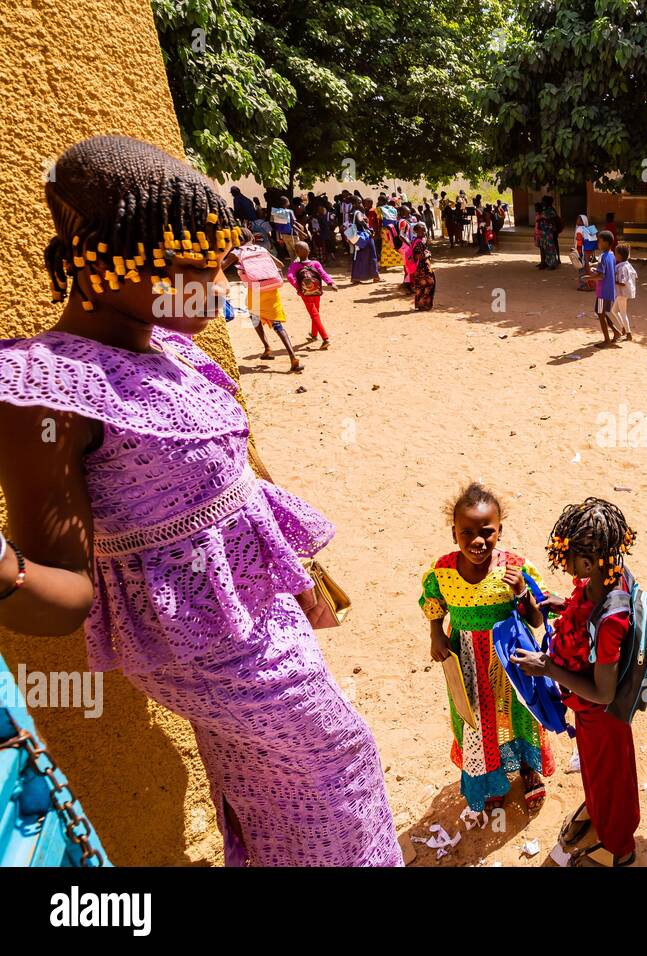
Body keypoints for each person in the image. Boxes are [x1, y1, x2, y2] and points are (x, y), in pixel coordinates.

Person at [0, 134, 401, 865]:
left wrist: (300, 568)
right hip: (202, 646)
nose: (212, 294)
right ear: (95, 259)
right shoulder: (48, 390)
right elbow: (62, 597)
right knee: (338, 764)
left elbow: (234, 471)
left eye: (215, 270)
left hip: (262, 609)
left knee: (268, 787)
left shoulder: (174, 349)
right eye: (185, 272)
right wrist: (6, 571)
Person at [513, 499, 641, 867]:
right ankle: (597, 810)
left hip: (602, 715)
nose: (565, 566)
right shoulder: (607, 576)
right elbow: (584, 616)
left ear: (588, 563)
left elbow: (603, 691)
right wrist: (564, 605)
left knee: (611, 776)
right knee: (598, 771)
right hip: (588, 715)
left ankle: (619, 847)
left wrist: (548, 668)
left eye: (566, 559)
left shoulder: (609, 620)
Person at [420, 483, 555, 815]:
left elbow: (537, 620)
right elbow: (433, 603)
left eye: (487, 531)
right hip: (466, 660)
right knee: (476, 719)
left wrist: (523, 591)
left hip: (510, 659)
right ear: (454, 534)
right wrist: (436, 633)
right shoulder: (443, 571)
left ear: (500, 531)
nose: (477, 541)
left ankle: (527, 767)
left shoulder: (515, 568)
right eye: (467, 532)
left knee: (520, 712)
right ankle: (490, 777)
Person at [227, 230, 303, 373]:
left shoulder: (237, 252)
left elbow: (221, 267)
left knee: (254, 317)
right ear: (251, 237)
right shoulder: (261, 249)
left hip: (255, 289)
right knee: (277, 323)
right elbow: (280, 265)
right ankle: (292, 357)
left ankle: (267, 347)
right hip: (272, 287)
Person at [286, 240, 335, 350]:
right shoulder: (315, 263)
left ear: (297, 253)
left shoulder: (295, 265)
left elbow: (289, 277)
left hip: (305, 293)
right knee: (315, 312)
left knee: (314, 314)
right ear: (309, 250)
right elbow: (323, 273)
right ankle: (314, 334)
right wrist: (330, 283)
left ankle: (325, 338)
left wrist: (298, 288)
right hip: (317, 291)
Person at [591, 229, 619, 345]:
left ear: (607, 243)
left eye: (600, 241)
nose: (598, 244)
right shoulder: (612, 255)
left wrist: (589, 278)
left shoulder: (602, 257)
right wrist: (596, 272)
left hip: (602, 291)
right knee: (600, 312)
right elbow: (607, 272)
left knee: (601, 314)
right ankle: (615, 331)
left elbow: (601, 276)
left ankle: (607, 340)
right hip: (609, 290)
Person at [406, 222, 437, 311]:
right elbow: (420, 256)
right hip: (423, 268)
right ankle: (425, 305)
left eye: (424, 231)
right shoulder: (419, 243)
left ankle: (420, 305)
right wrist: (428, 254)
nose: (424, 233)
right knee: (428, 285)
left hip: (418, 268)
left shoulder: (414, 240)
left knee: (420, 287)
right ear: (416, 231)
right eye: (422, 231)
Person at [612, 243, 637, 342]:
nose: (614, 255)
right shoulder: (628, 264)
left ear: (619, 255)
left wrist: (612, 281)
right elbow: (636, 275)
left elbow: (622, 283)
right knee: (614, 311)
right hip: (626, 292)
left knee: (622, 313)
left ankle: (628, 333)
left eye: (615, 253)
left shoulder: (621, 268)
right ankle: (624, 328)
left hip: (622, 292)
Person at [348, 210, 381, 284]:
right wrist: (368, 228)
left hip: (359, 239)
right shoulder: (358, 213)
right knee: (372, 256)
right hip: (365, 237)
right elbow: (360, 221)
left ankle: (356, 277)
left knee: (358, 257)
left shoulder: (353, 213)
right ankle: (376, 276)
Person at [537, 196, 561, 269]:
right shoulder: (544, 210)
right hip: (543, 232)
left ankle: (552, 264)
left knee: (550, 248)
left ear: (548, 202)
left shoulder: (551, 211)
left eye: (544, 201)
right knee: (543, 247)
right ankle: (544, 262)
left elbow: (553, 221)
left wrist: (544, 219)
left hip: (549, 232)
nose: (542, 203)